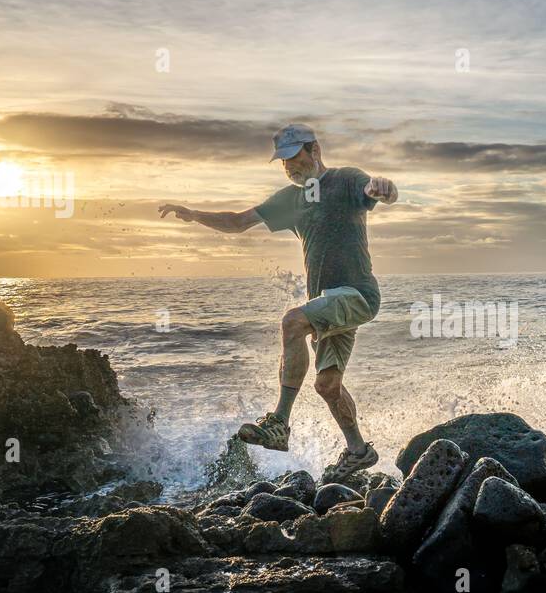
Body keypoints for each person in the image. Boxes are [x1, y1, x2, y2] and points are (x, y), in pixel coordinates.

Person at [159, 123, 397, 481]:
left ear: (314, 150)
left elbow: (376, 191)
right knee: (327, 386)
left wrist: (385, 189)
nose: (289, 167)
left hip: (357, 295)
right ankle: (358, 451)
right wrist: (194, 215)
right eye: (283, 162)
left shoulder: (346, 180)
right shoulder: (290, 200)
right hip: (326, 304)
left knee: (292, 321)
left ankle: (280, 423)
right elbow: (238, 222)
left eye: (293, 158)